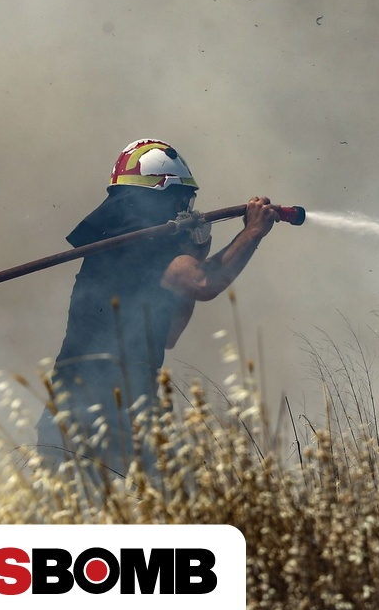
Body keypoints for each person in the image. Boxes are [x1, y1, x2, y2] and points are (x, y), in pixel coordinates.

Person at [35, 139, 279, 476]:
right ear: (153, 197)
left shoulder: (136, 247)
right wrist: (253, 231)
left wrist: (195, 252)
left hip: (125, 412)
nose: (185, 209)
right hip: (89, 415)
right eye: (179, 201)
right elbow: (204, 283)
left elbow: (171, 334)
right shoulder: (135, 241)